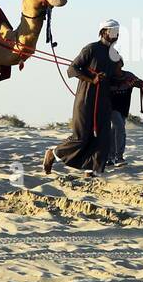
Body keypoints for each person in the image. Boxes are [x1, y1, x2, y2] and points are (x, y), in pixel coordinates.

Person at [43, 19, 125, 177]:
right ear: (103, 32)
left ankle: (92, 170)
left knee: (103, 137)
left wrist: (132, 81)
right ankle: (54, 153)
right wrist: (92, 79)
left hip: (104, 101)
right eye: (113, 31)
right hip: (86, 99)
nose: (116, 34)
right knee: (81, 137)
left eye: (117, 31)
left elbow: (116, 77)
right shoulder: (91, 48)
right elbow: (72, 69)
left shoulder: (115, 55)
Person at [108, 63, 143, 167]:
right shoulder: (108, 76)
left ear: (121, 64)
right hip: (111, 108)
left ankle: (110, 157)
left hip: (123, 108)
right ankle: (119, 157)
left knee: (115, 130)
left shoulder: (128, 76)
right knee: (120, 127)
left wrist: (141, 83)